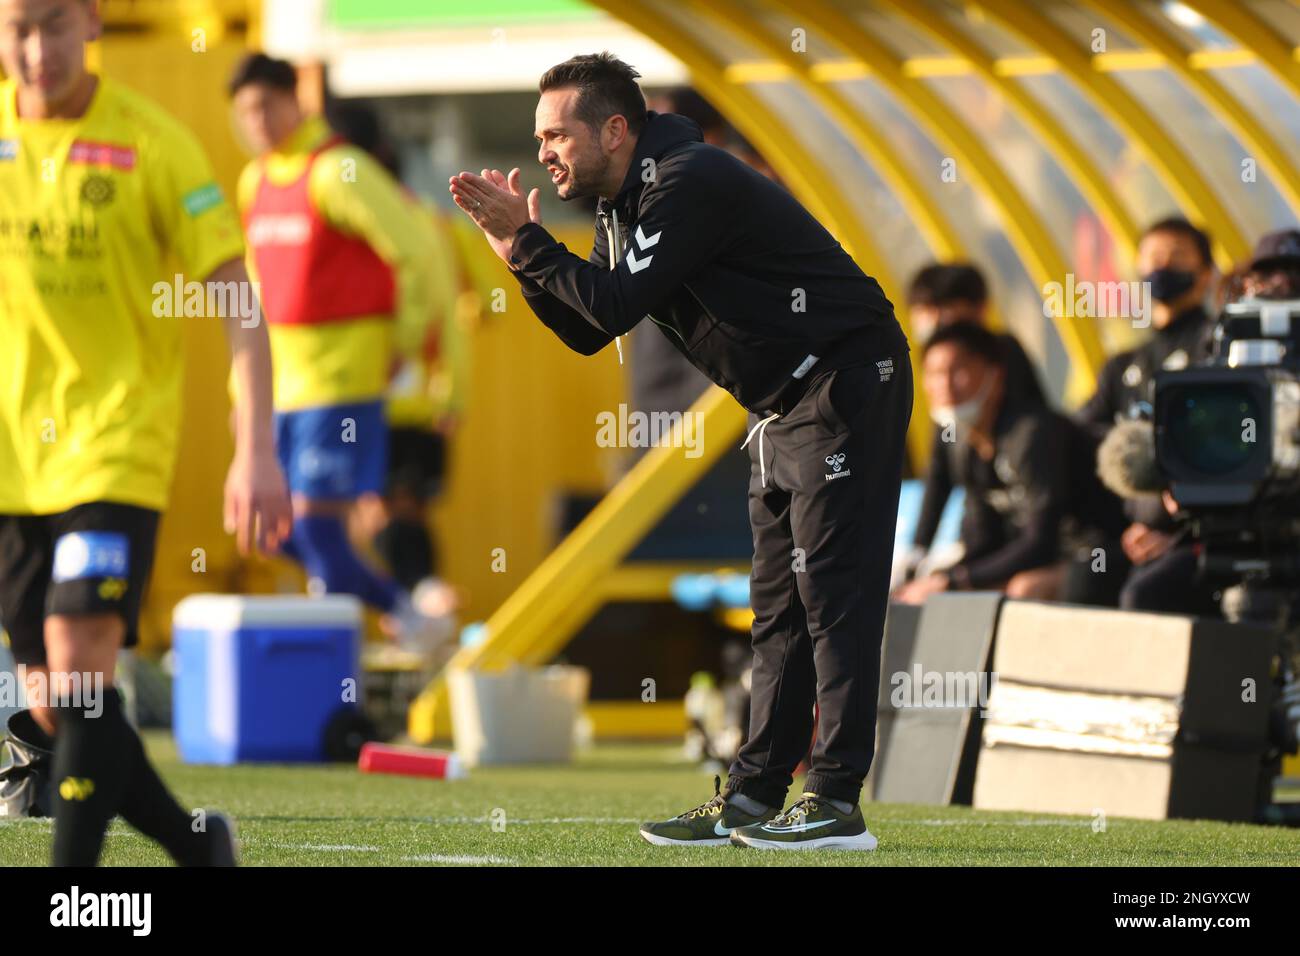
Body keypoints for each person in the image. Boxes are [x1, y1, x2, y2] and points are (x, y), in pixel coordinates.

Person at [450, 53, 911, 850]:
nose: (545, 151)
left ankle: (836, 799)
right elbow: (592, 329)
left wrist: (526, 241)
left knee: (835, 594)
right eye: (540, 136)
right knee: (777, 610)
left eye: (558, 133)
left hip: (844, 379)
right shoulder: (621, 201)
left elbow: (615, 301)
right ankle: (753, 795)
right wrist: (513, 252)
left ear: (616, 129)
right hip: (780, 402)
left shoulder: (686, 179)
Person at [0, 0, 291, 865]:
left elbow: (237, 300)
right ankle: (195, 847)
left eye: (53, 24)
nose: (35, 49)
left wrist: (258, 445)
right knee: (56, 702)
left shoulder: (153, 143)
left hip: (114, 446)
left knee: (79, 662)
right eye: (16, 26)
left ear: (91, 22)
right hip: (15, 459)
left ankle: (73, 897)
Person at [228, 54, 448, 637]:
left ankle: (390, 630)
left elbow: (420, 250)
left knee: (321, 531)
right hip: (279, 389)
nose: (257, 121)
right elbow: (252, 291)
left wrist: (403, 340)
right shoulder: (254, 181)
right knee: (266, 530)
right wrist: (241, 391)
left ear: (294, 100)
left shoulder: (336, 171)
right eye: (245, 111)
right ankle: (402, 613)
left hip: (340, 385)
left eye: (266, 105)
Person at [896, 323, 1124, 603]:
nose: (944, 384)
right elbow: (984, 540)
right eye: (933, 373)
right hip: (1053, 559)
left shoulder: (1032, 434)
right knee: (936, 590)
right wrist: (942, 577)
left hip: (1100, 554)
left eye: (958, 370)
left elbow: (1041, 542)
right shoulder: (962, 444)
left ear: (996, 374)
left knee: (1024, 589)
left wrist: (956, 580)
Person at [1075, 217, 1216, 613]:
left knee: (1146, 593)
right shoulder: (1123, 365)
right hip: (1126, 534)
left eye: (1177, 257)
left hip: (1192, 535)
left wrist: (1174, 530)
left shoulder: (1215, 348)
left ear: (1205, 275)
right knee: (1084, 577)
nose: (1163, 267)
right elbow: (1083, 436)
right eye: (1154, 257)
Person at [904, 263, 1046, 569]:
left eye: (941, 308)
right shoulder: (946, 371)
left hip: (1015, 521)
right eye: (924, 311)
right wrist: (918, 548)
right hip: (982, 512)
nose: (932, 322)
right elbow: (939, 471)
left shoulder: (998, 355)